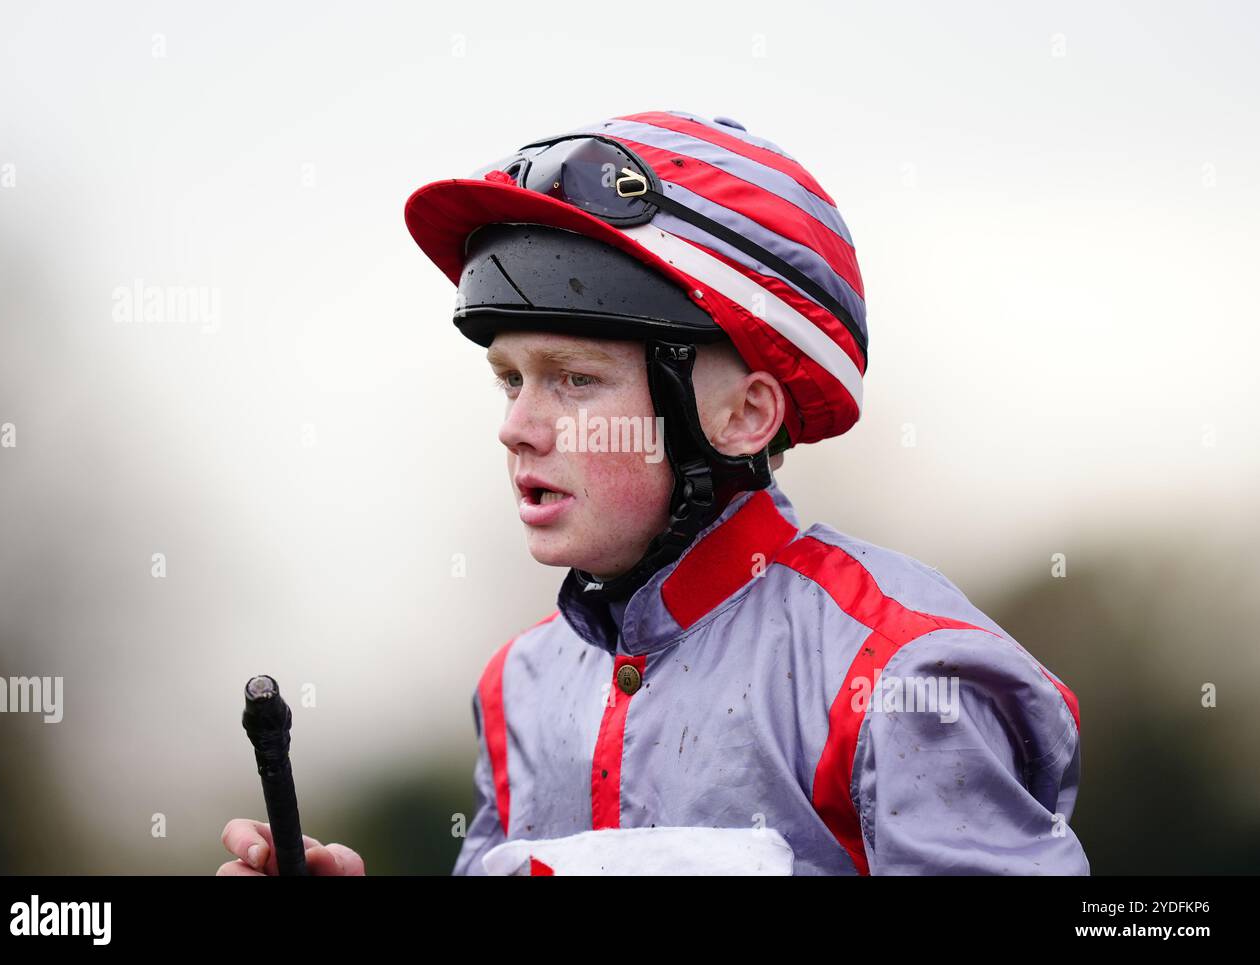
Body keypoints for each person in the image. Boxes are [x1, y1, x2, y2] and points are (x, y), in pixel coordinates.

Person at [218, 110, 1088, 876]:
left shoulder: (901, 673)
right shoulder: (514, 688)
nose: (517, 426)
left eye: (575, 379)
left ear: (743, 415)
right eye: (509, 379)